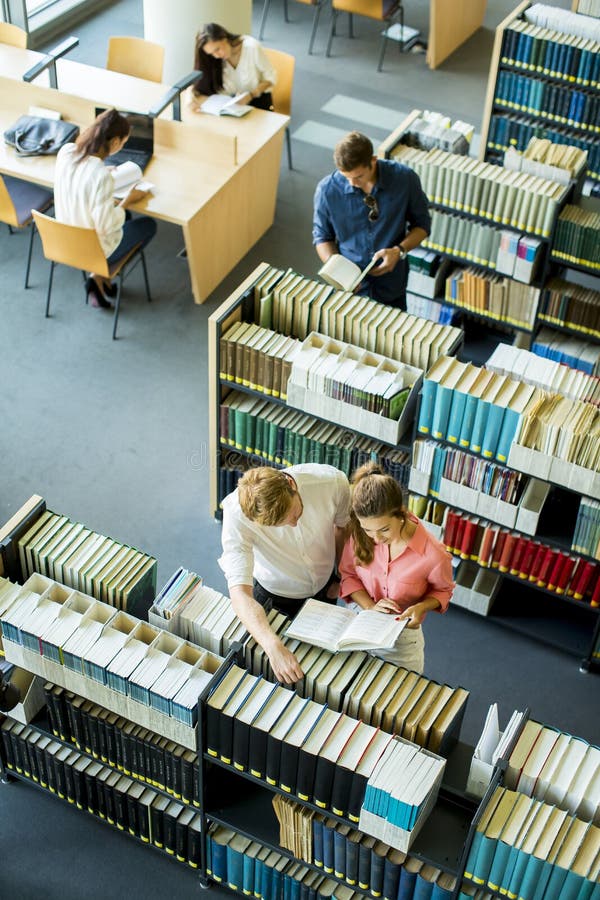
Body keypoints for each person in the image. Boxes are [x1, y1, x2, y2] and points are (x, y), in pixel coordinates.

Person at [218, 464, 351, 683]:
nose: (293, 523)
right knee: (273, 675)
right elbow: (239, 593)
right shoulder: (235, 515)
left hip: (326, 589)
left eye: (296, 514)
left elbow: (342, 528)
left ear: (291, 484)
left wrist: (339, 575)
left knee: (321, 674)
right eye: (281, 525)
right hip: (274, 596)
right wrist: (272, 646)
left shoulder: (332, 482)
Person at [339, 463, 454, 673]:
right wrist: (370, 607)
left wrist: (422, 607)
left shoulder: (434, 555)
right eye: (368, 530)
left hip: (401, 636)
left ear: (401, 515)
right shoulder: (360, 533)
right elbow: (348, 575)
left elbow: (443, 590)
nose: (376, 538)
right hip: (360, 622)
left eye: (384, 530)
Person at [312, 131, 431, 308]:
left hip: (392, 283)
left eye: (359, 176)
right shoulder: (327, 190)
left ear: (373, 161)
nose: (352, 183)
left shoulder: (405, 179)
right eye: (346, 177)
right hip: (350, 288)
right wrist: (337, 272)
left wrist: (399, 251)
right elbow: (322, 237)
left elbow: (422, 226)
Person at [54, 108, 157, 308]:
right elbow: (106, 226)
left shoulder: (66, 152)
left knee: (124, 217)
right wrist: (128, 199)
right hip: (92, 249)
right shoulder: (100, 175)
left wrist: (104, 173)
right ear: (116, 142)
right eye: (124, 142)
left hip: (62, 241)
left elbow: (78, 180)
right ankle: (99, 276)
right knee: (147, 225)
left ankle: (101, 281)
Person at [191, 23, 276, 111]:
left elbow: (270, 78)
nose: (216, 56)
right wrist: (190, 99)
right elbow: (197, 86)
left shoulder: (252, 47)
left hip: (258, 102)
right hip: (232, 104)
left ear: (224, 38)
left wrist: (251, 95)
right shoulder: (214, 59)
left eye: (217, 49)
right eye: (211, 53)